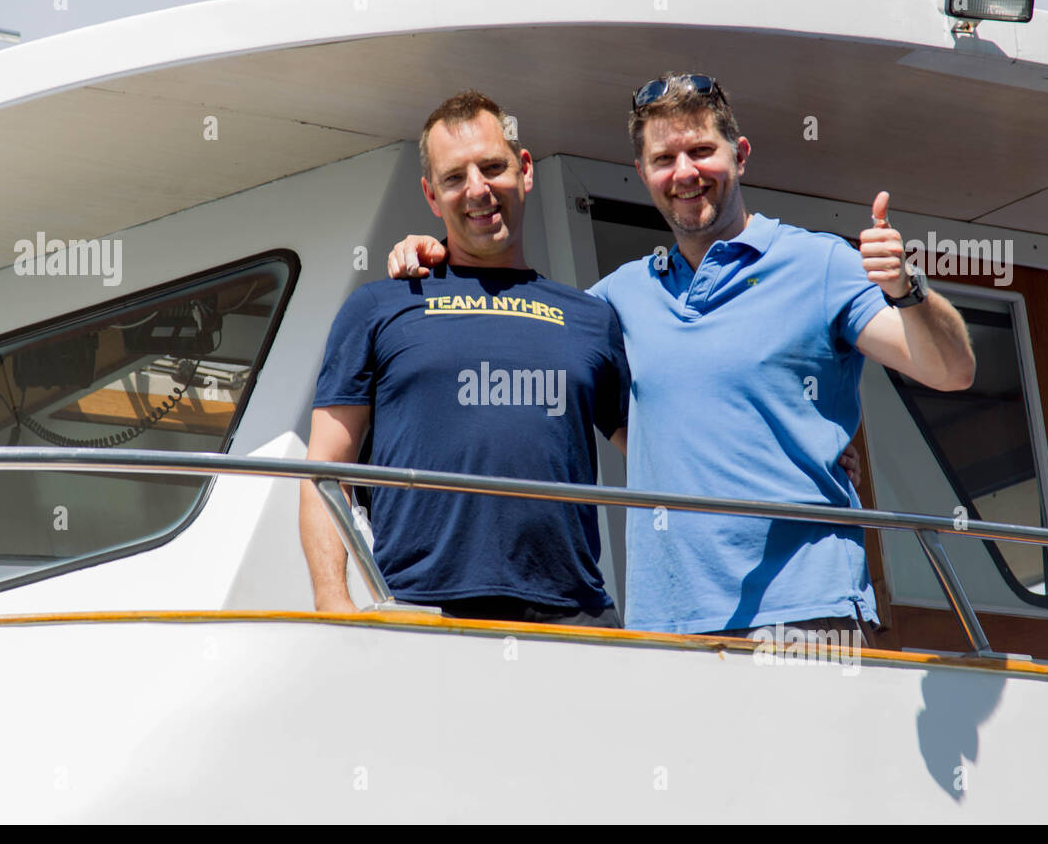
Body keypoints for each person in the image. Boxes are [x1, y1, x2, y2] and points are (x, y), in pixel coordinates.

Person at [385, 73, 976, 639]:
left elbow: (951, 371)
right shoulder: (615, 299)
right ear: (643, 173)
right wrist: (442, 260)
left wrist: (907, 289)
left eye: (701, 151)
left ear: (740, 155)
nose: (685, 172)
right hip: (665, 624)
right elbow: (527, 350)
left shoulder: (819, 264)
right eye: (664, 159)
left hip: (804, 613)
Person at [299, 90, 630, 626]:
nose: (478, 189)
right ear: (432, 196)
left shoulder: (590, 317)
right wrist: (333, 605)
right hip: (422, 613)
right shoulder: (378, 307)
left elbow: (655, 450)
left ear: (525, 171)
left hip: (575, 614)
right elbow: (323, 470)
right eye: (455, 177)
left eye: (492, 167)